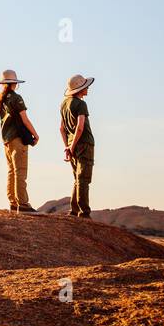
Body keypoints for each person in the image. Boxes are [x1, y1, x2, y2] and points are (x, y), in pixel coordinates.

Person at [0, 69, 39, 212]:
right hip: (18, 140)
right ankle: (23, 204)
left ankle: (13, 202)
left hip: (7, 140)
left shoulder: (2, 99)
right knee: (20, 171)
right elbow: (25, 119)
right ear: (15, 83)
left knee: (12, 171)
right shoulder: (16, 98)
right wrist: (35, 134)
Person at [60, 74, 95, 218]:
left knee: (77, 179)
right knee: (83, 179)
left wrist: (68, 147)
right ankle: (84, 212)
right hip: (84, 144)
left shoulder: (64, 104)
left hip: (71, 144)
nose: (88, 88)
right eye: (85, 86)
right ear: (80, 89)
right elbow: (80, 128)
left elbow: (62, 129)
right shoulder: (81, 104)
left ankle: (74, 210)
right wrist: (73, 146)